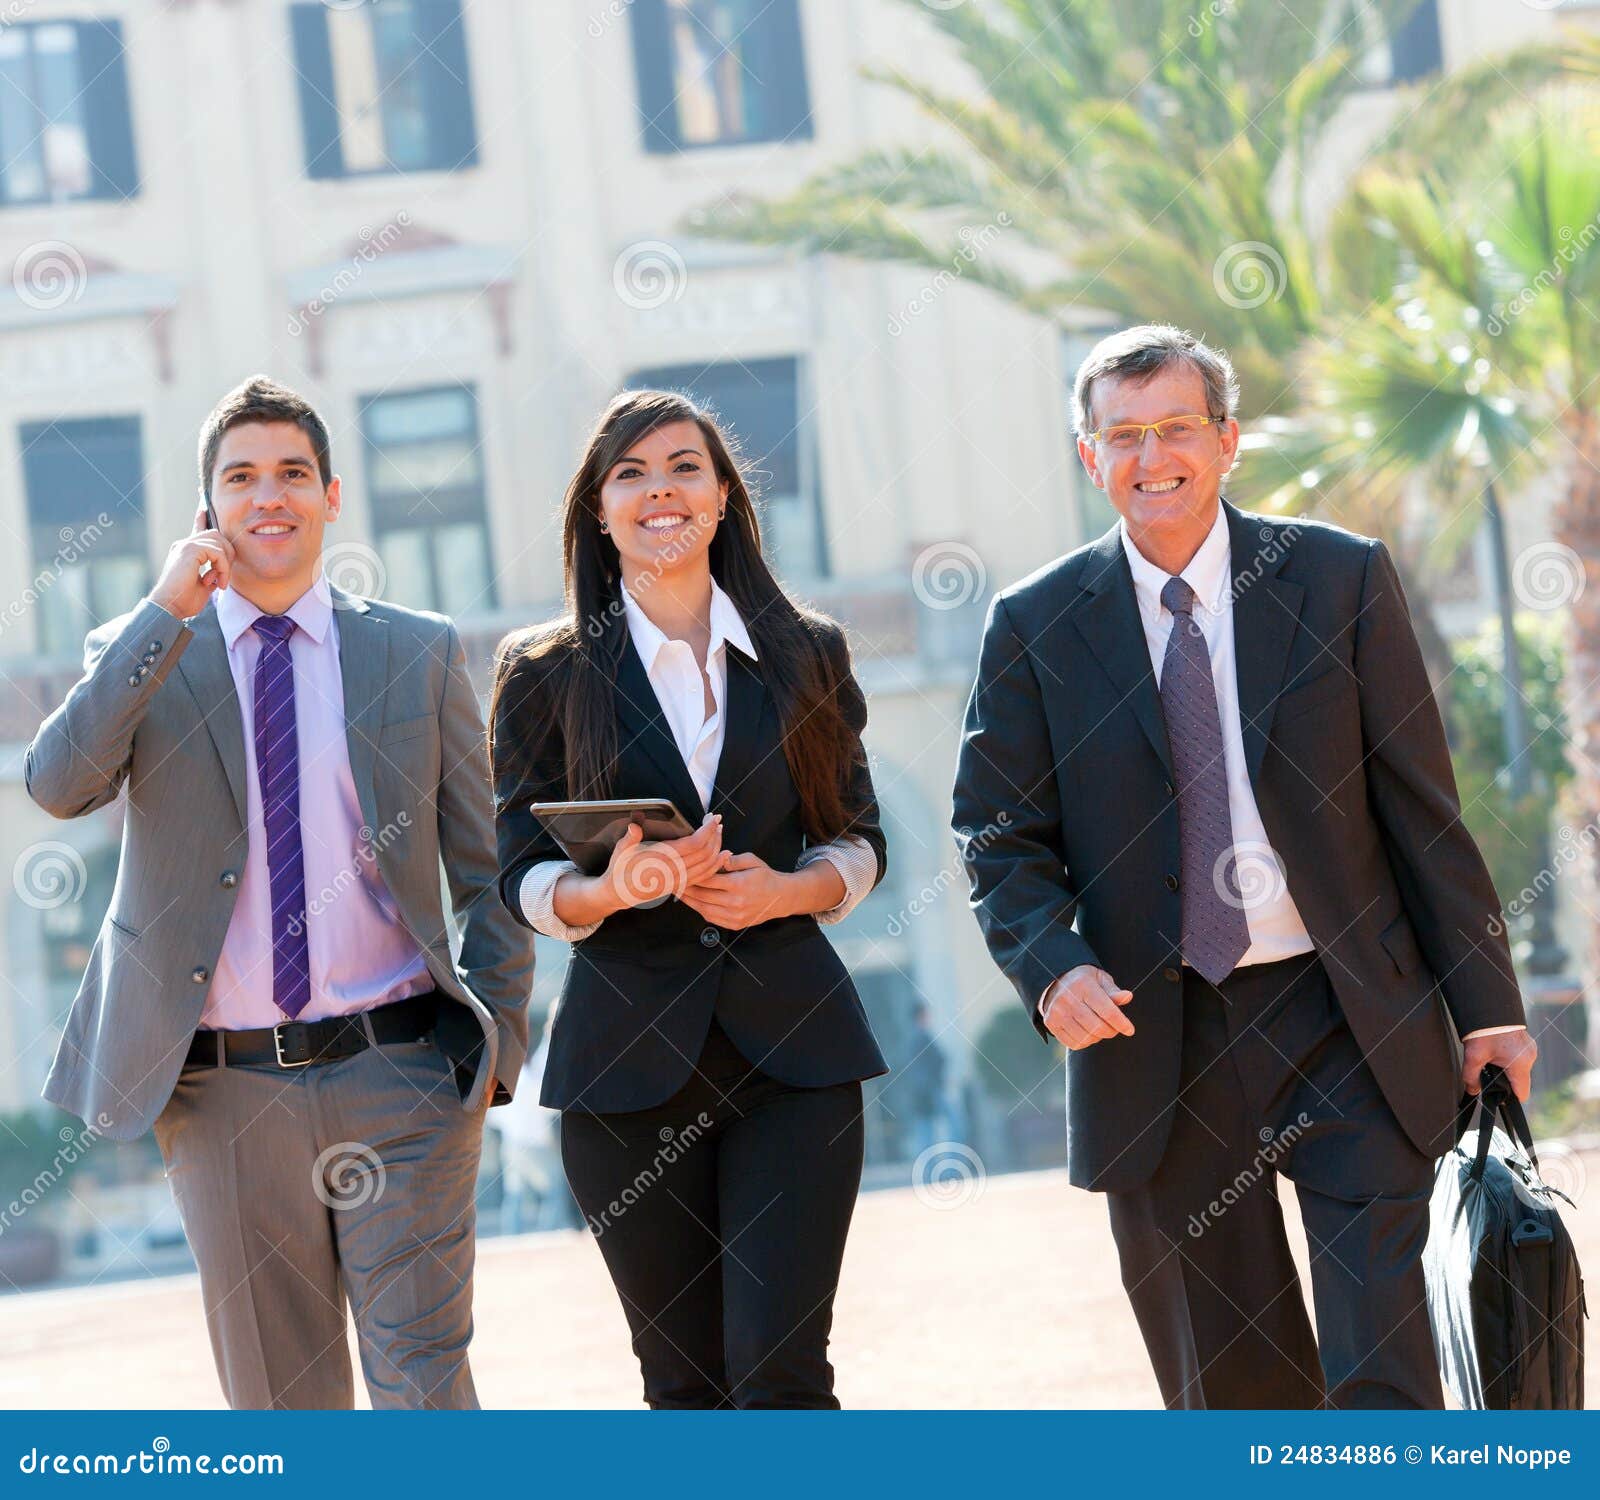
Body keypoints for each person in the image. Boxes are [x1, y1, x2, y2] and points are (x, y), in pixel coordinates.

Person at [951, 324, 1535, 1409]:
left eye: (1174, 427)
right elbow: (996, 834)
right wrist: (1050, 966)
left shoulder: (1337, 578)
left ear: (1227, 441)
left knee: (1380, 1351)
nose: (1149, 455)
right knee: (1230, 1387)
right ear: (1089, 458)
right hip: (1157, 1033)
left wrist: (1488, 1006)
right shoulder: (1033, 627)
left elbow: (1420, 810)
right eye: (1121, 435)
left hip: (1347, 1011)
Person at [27, 376, 533, 1410]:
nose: (270, 496)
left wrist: (498, 1044)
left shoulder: (413, 649)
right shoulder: (144, 656)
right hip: (222, 1098)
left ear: (332, 496)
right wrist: (165, 608)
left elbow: (486, 867)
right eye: (241, 477)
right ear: (206, 511)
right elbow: (56, 785)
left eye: (293, 473)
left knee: (426, 1389)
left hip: (400, 1072)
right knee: (281, 1407)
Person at [490, 387, 888, 1409]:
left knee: (781, 1370)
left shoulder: (806, 653)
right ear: (597, 509)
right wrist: (603, 891)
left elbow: (859, 835)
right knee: (682, 1385)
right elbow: (517, 875)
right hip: (623, 1072)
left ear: (720, 497)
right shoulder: (544, 674)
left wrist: (791, 890)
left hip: (794, 1058)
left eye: (682, 467)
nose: (657, 490)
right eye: (629, 473)